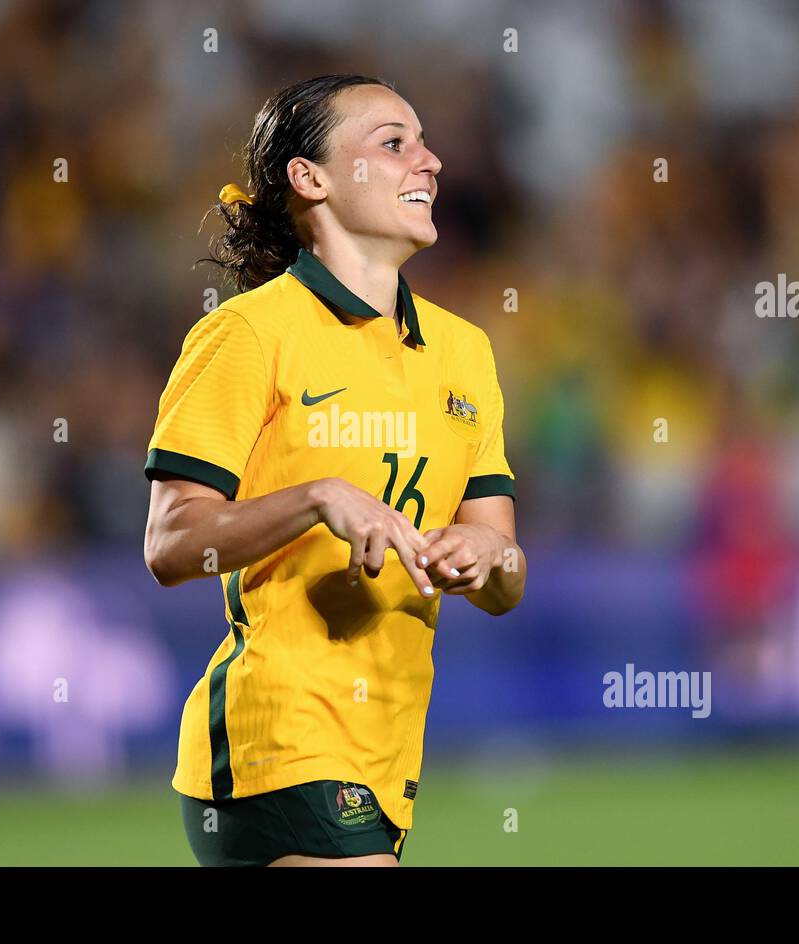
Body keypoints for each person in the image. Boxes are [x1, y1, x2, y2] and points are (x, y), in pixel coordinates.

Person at [144, 74, 526, 867]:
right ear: (310, 178)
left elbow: (507, 580)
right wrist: (317, 499)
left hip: (387, 753)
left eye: (424, 142)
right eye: (393, 143)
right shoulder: (247, 334)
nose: (430, 162)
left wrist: (487, 555)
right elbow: (172, 544)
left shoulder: (465, 352)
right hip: (277, 737)